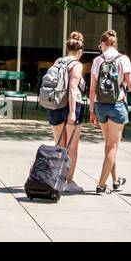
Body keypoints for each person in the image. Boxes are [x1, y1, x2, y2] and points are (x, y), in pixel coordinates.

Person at [89, 29, 131, 195]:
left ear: (103, 44)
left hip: (100, 106)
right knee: (112, 147)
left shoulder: (97, 61)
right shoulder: (123, 59)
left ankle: (116, 181)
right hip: (117, 106)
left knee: (109, 146)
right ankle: (101, 185)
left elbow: (91, 90)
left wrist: (91, 111)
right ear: (114, 44)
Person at [44, 31, 86, 194]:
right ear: (80, 51)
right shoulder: (76, 65)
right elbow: (73, 89)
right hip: (70, 107)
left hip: (54, 107)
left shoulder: (58, 62)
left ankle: (57, 178)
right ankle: (68, 181)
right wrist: (73, 113)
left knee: (59, 145)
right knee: (72, 148)